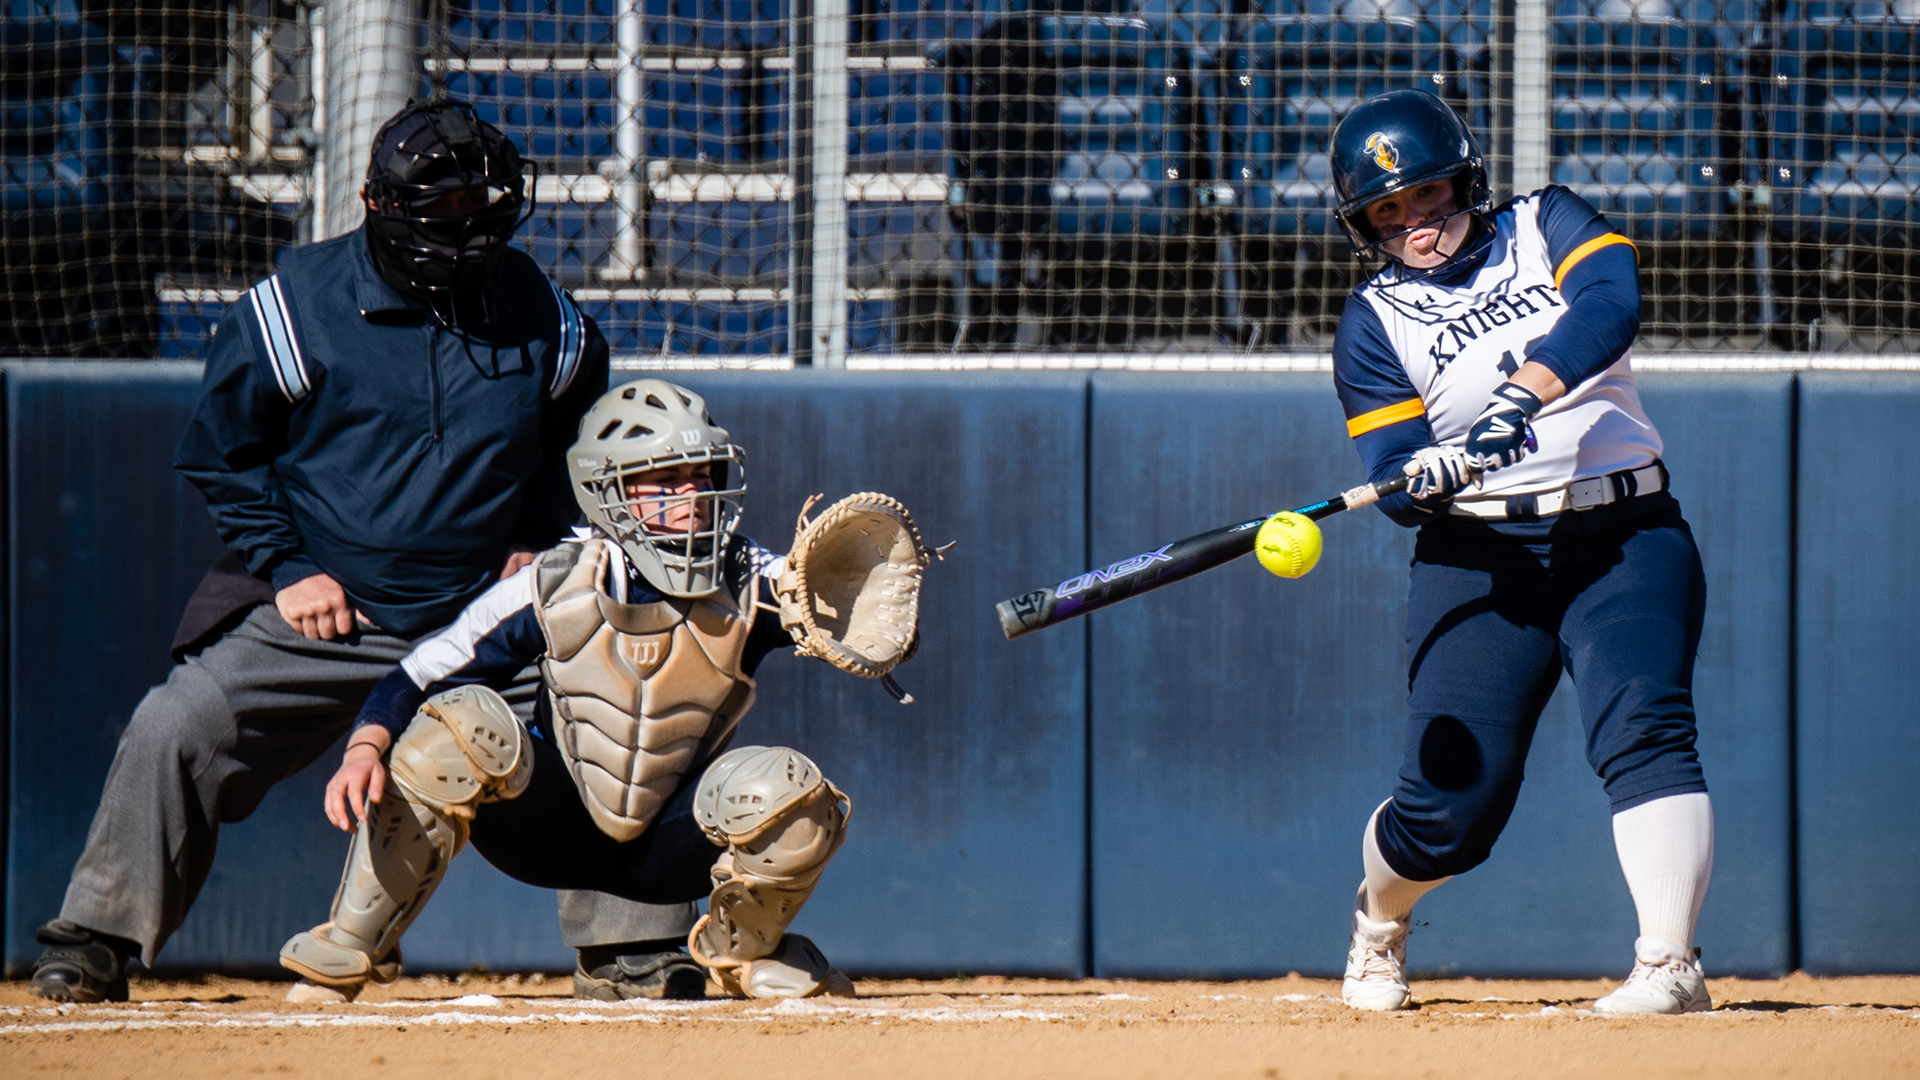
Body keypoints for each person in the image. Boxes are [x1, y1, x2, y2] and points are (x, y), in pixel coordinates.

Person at [27, 99, 699, 1004]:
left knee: (614, 706)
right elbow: (221, 455)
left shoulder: (549, 318)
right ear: (375, 203)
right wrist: (290, 566)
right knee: (177, 724)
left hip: (481, 619)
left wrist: (534, 541)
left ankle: (635, 945)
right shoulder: (294, 308)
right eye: (445, 211)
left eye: (482, 207)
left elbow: (573, 454)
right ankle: (97, 935)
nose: (467, 227)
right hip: (334, 608)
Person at [274, 380, 926, 1003]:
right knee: (457, 725)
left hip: (671, 845)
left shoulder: (749, 576)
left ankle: (742, 951)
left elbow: (850, 618)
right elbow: (424, 672)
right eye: (666, 480)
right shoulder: (560, 580)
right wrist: (365, 746)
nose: (693, 496)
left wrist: (871, 623)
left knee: (792, 790)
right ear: (607, 490)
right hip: (548, 826)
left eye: (701, 476)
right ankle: (349, 947)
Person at [1324, 90, 1714, 1016]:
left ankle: (1670, 964)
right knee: (1450, 810)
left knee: (1646, 728)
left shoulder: (1546, 222)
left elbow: (1612, 302)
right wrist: (1426, 478)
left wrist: (1523, 397)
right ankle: (1379, 924)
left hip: (1625, 533)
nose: (1416, 225)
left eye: (1430, 196)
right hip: (1483, 555)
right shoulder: (1373, 320)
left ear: (1469, 180)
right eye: (1389, 211)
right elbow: (1391, 470)